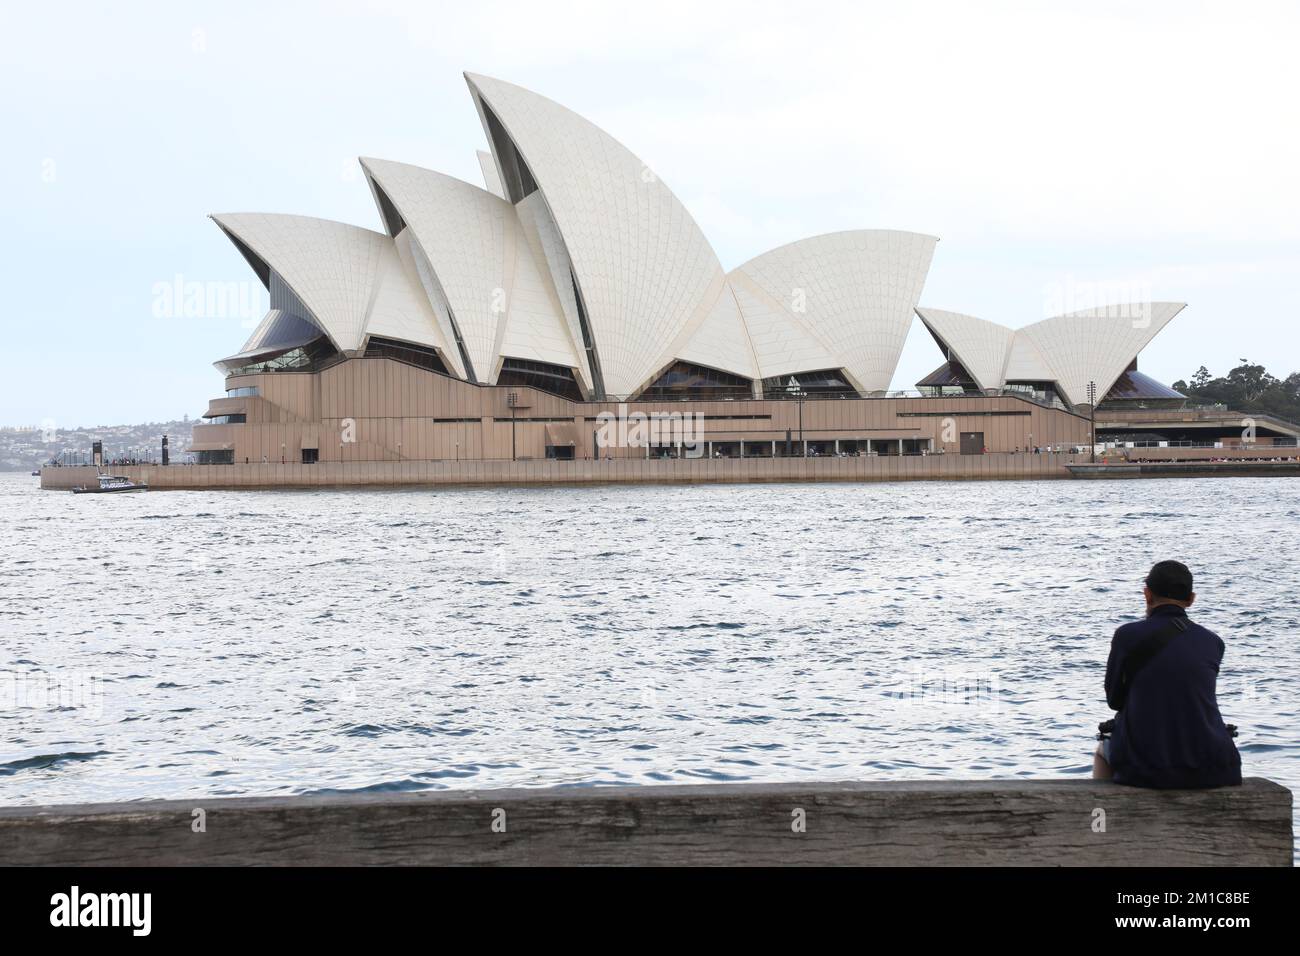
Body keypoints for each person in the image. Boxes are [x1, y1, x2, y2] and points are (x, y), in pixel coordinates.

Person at [1093, 561, 1241, 788]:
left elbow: (1114, 701)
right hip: (1214, 765)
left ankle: (1103, 820)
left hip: (1146, 767)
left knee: (1103, 749)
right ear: (1191, 599)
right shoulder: (1214, 643)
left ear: (1147, 595)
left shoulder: (1126, 636)